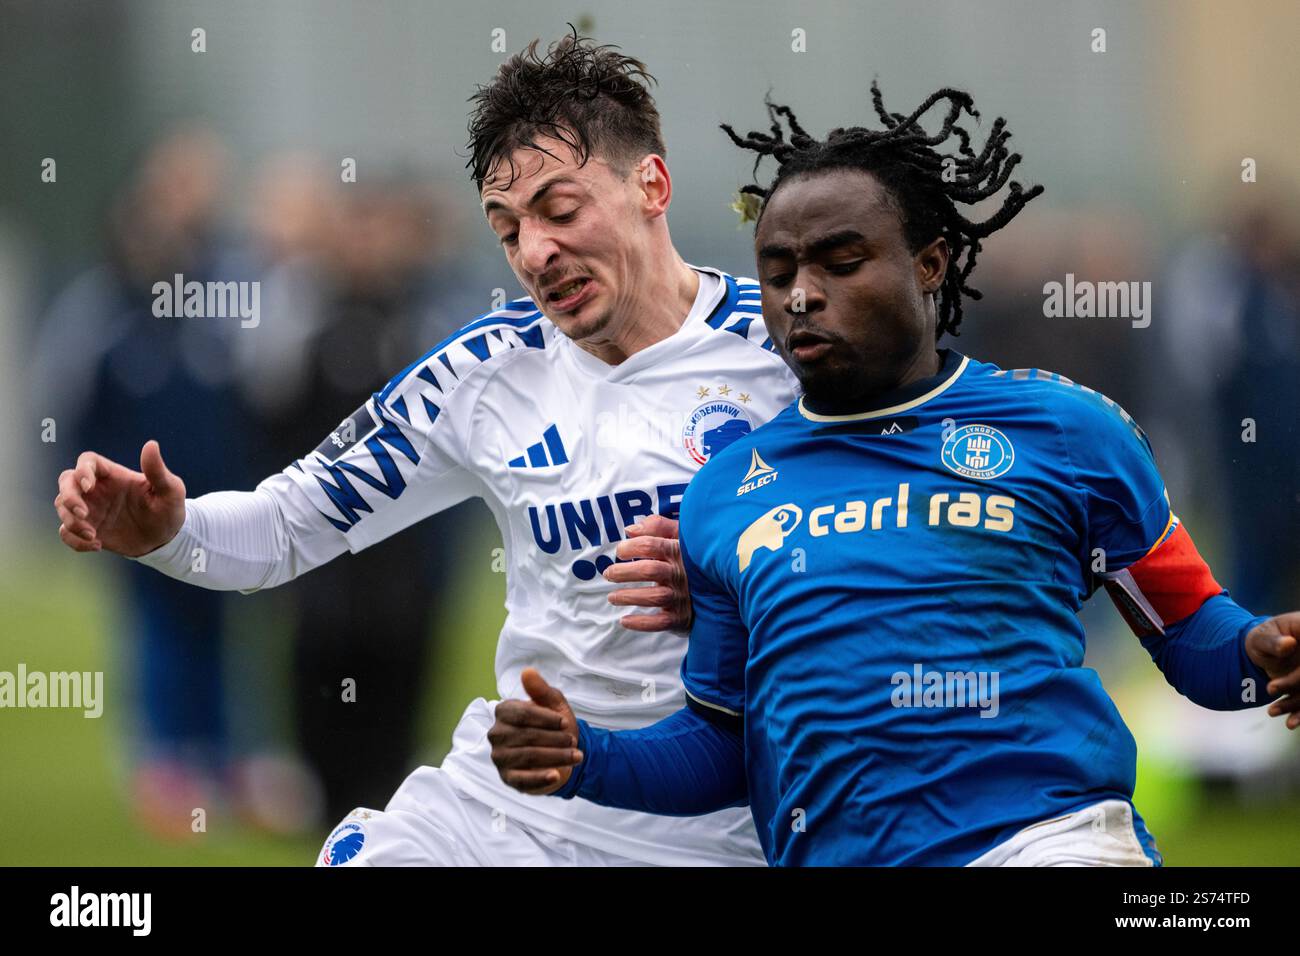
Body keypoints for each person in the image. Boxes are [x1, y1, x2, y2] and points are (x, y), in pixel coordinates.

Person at [488, 83, 1300, 866]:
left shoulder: (1067, 430)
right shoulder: (725, 492)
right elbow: (723, 742)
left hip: (1050, 842)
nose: (802, 296)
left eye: (842, 262)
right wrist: (585, 757)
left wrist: (1259, 653)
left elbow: (1193, 633)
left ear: (930, 263)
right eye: (778, 273)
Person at [52, 29, 797, 866]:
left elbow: (898, 552)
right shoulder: (480, 372)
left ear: (651, 185)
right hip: (512, 801)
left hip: (713, 824)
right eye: (507, 229)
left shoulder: (789, 352)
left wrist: (734, 583)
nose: (535, 253)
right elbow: (290, 523)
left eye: (560, 210)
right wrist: (171, 532)